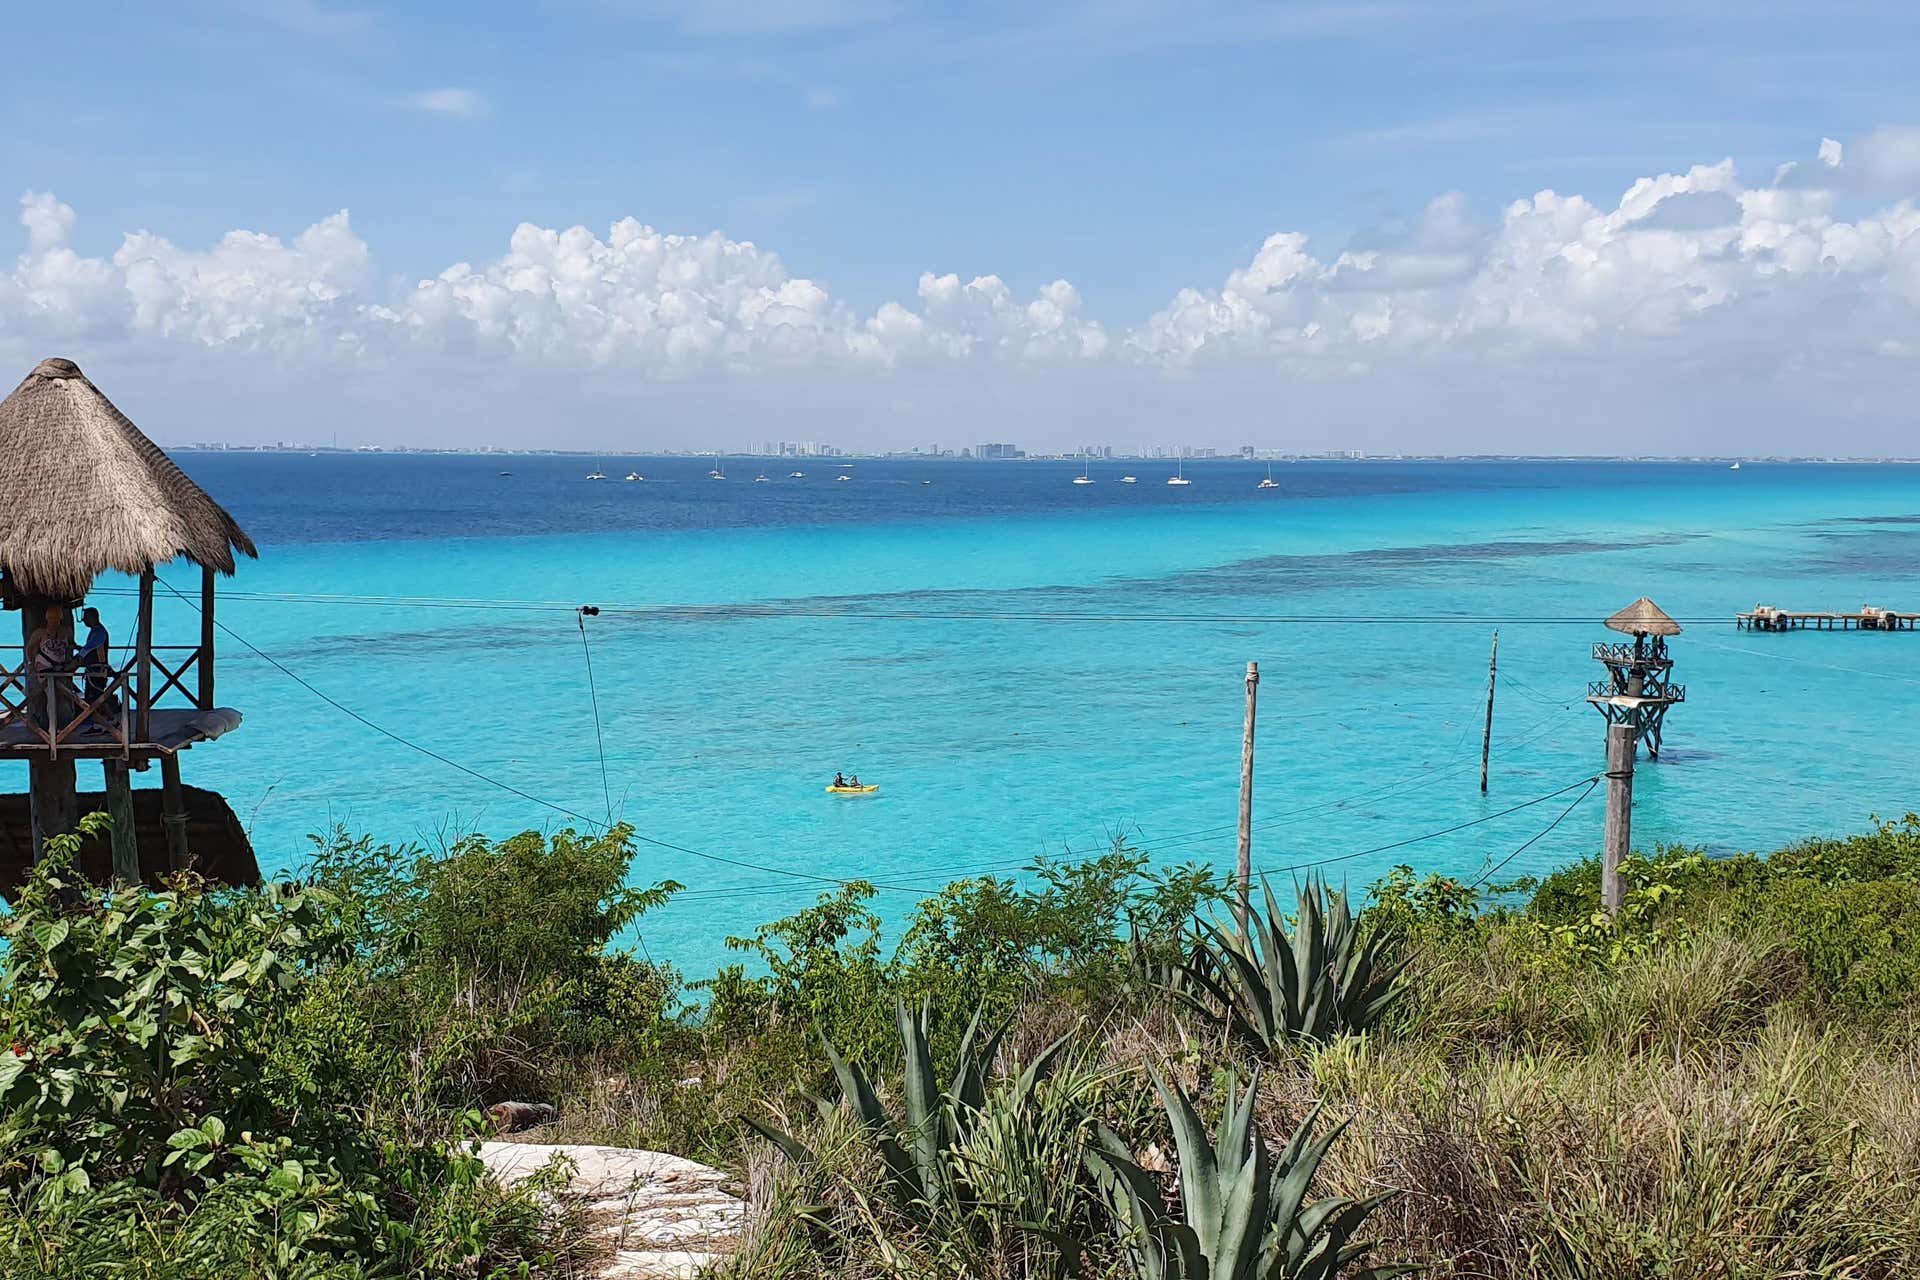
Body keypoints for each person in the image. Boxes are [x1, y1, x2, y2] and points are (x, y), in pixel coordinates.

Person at [23, 604, 76, 730]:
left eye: (56, 619)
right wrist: (31, 664)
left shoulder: (66, 632)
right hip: (45, 669)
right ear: (47, 619)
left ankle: (63, 725)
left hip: (61, 669)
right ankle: (52, 727)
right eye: (51, 619)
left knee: (63, 696)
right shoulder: (40, 633)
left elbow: (71, 645)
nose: (54, 622)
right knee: (50, 696)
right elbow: (29, 648)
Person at [76, 606, 114, 716]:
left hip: (98, 670)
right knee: (94, 699)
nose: (83, 620)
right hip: (93, 670)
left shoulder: (99, 632)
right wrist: (77, 648)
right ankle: (101, 721)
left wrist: (76, 659)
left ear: (92, 617)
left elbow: (89, 648)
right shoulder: (95, 631)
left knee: (96, 699)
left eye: (85, 617)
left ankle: (111, 720)